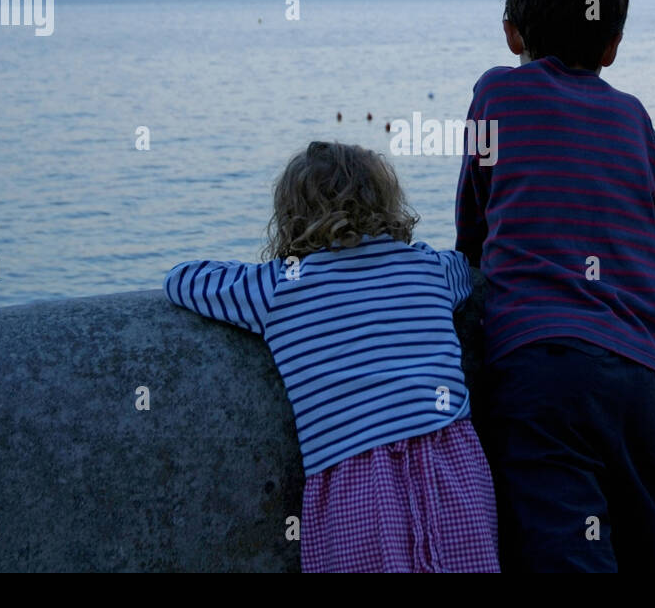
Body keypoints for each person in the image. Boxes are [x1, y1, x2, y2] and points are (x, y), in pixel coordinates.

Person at [455, 0, 655, 572]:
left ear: (513, 34)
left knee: (565, 548)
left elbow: (471, 227)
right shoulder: (632, 116)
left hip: (539, 366)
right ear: (612, 46)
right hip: (637, 369)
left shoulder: (495, 95)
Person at [165, 141, 499, 573]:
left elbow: (182, 280)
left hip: (354, 480)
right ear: (385, 200)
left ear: (290, 215)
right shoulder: (429, 269)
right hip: (452, 462)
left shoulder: (277, 287)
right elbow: (464, 268)